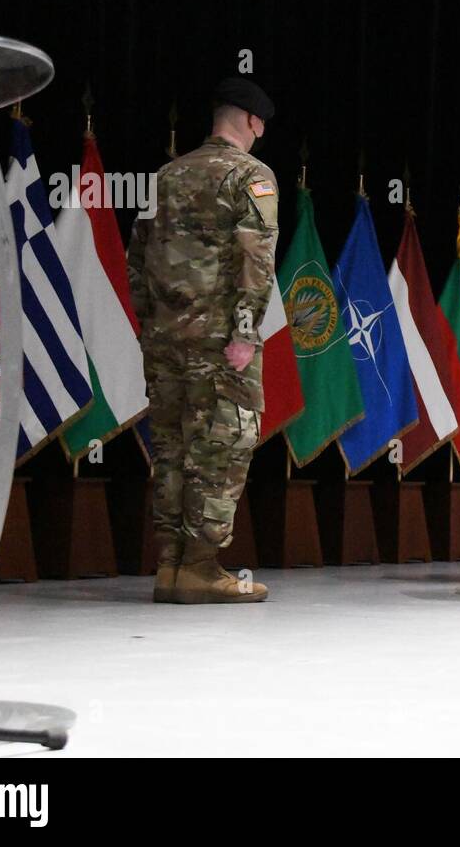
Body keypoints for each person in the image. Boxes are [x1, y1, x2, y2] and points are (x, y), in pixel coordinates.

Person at [128, 76, 278, 605]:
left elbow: (137, 257)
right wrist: (244, 332)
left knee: (170, 450)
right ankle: (201, 566)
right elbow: (257, 258)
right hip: (218, 342)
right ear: (252, 121)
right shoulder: (251, 175)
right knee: (222, 448)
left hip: (165, 340)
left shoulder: (167, 175)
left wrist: (152, 323)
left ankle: (169, 565)